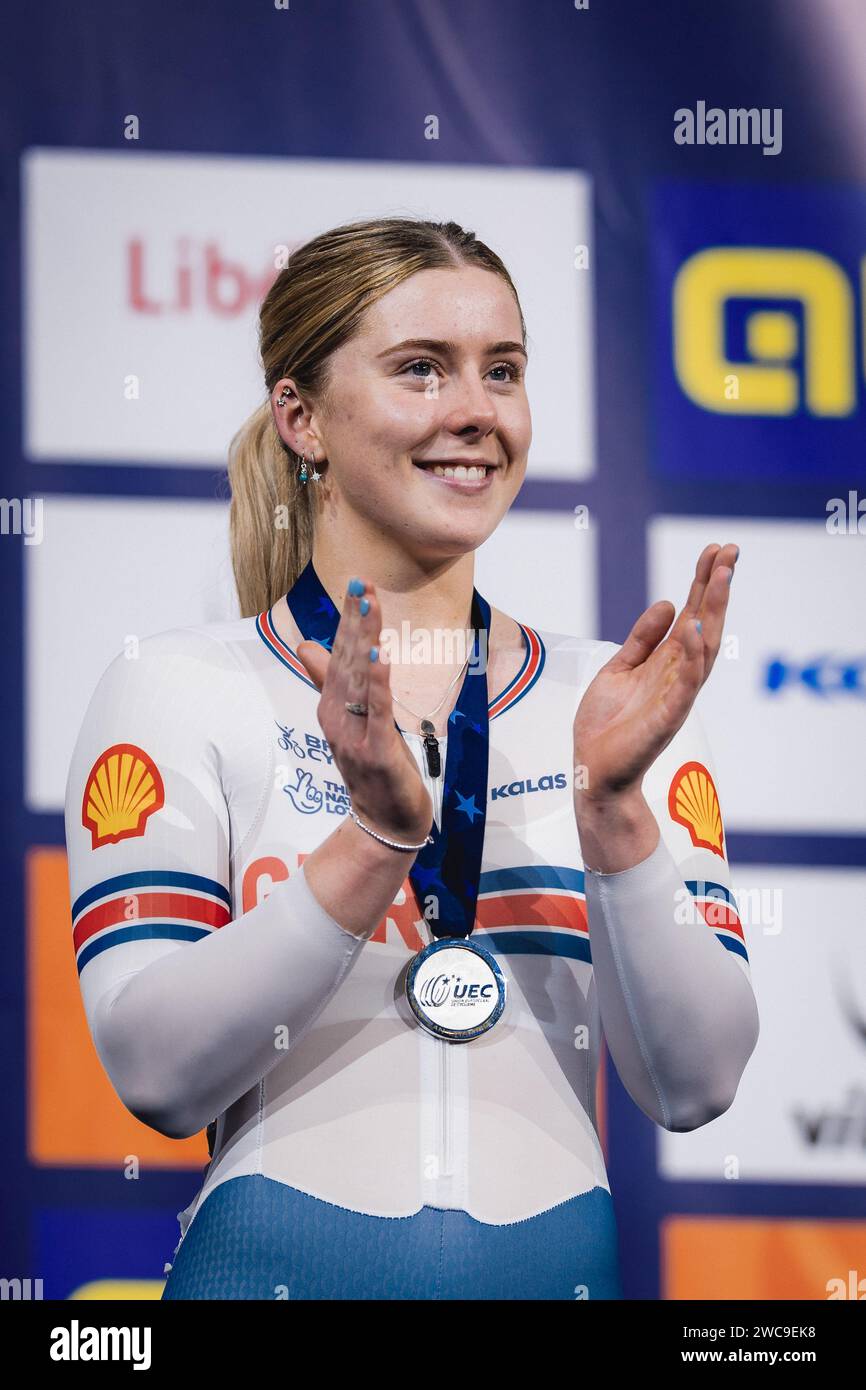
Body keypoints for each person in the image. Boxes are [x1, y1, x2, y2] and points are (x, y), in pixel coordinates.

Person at [64, 217, 759, 1301]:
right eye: (420, 371)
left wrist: (613, 811)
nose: (474, 412)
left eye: (503, 371)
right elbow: (156, 1074)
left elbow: (693, 1083)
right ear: (302, 419)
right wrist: (376, 839)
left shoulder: (612, 701)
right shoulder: (176, 685)